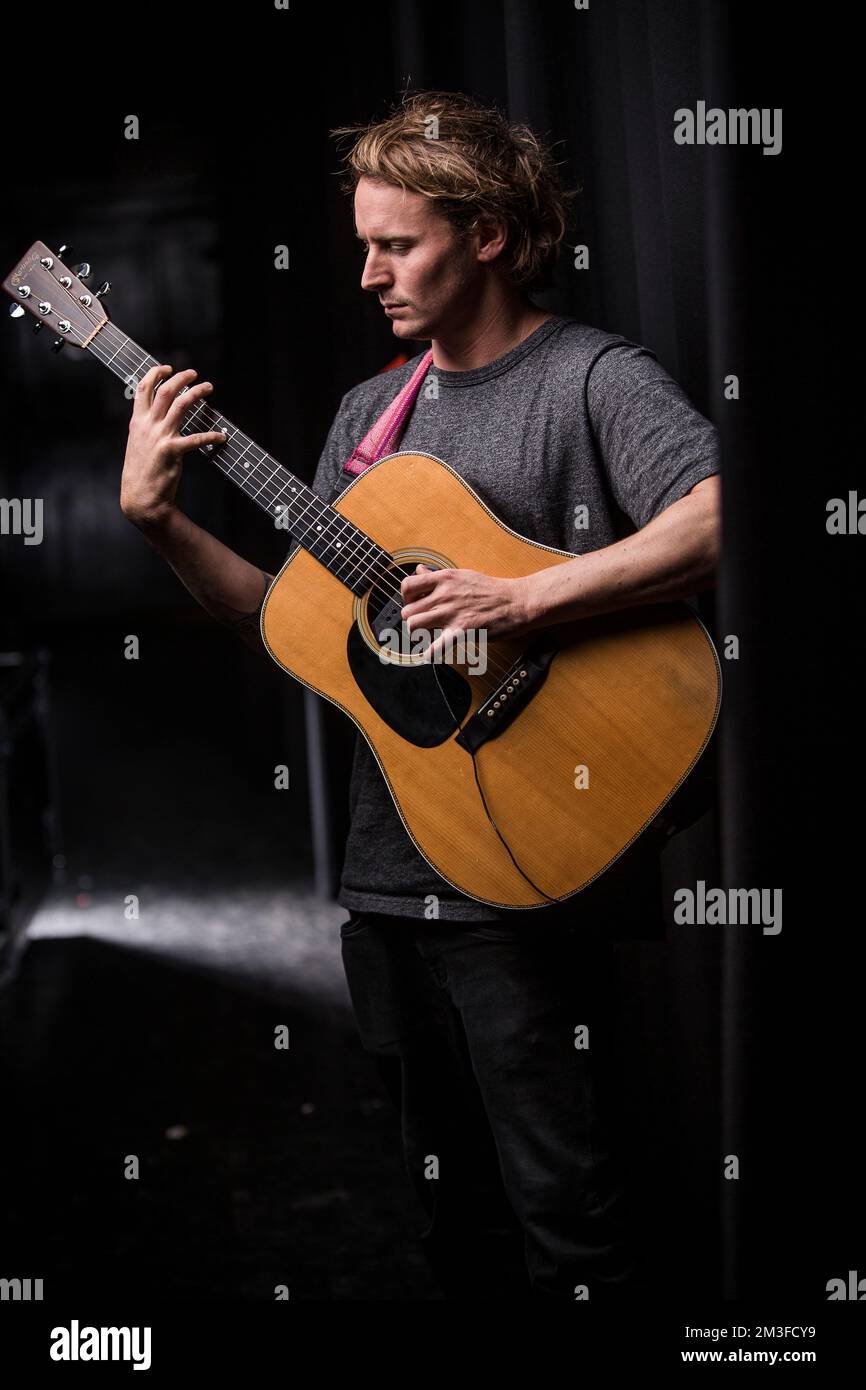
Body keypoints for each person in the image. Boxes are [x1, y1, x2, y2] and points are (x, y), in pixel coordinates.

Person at [120, 90, 721, 1300]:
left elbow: (717, 514)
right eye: (360, 246)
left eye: (395, 245)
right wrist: (160, 521)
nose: (366, 275)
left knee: (571, 1219)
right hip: (389, 877)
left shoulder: (590, 378)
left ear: (487, 233)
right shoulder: (368, 417)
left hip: (528, 869)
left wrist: (523, 601)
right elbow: (281, 619)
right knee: (451, 1227)